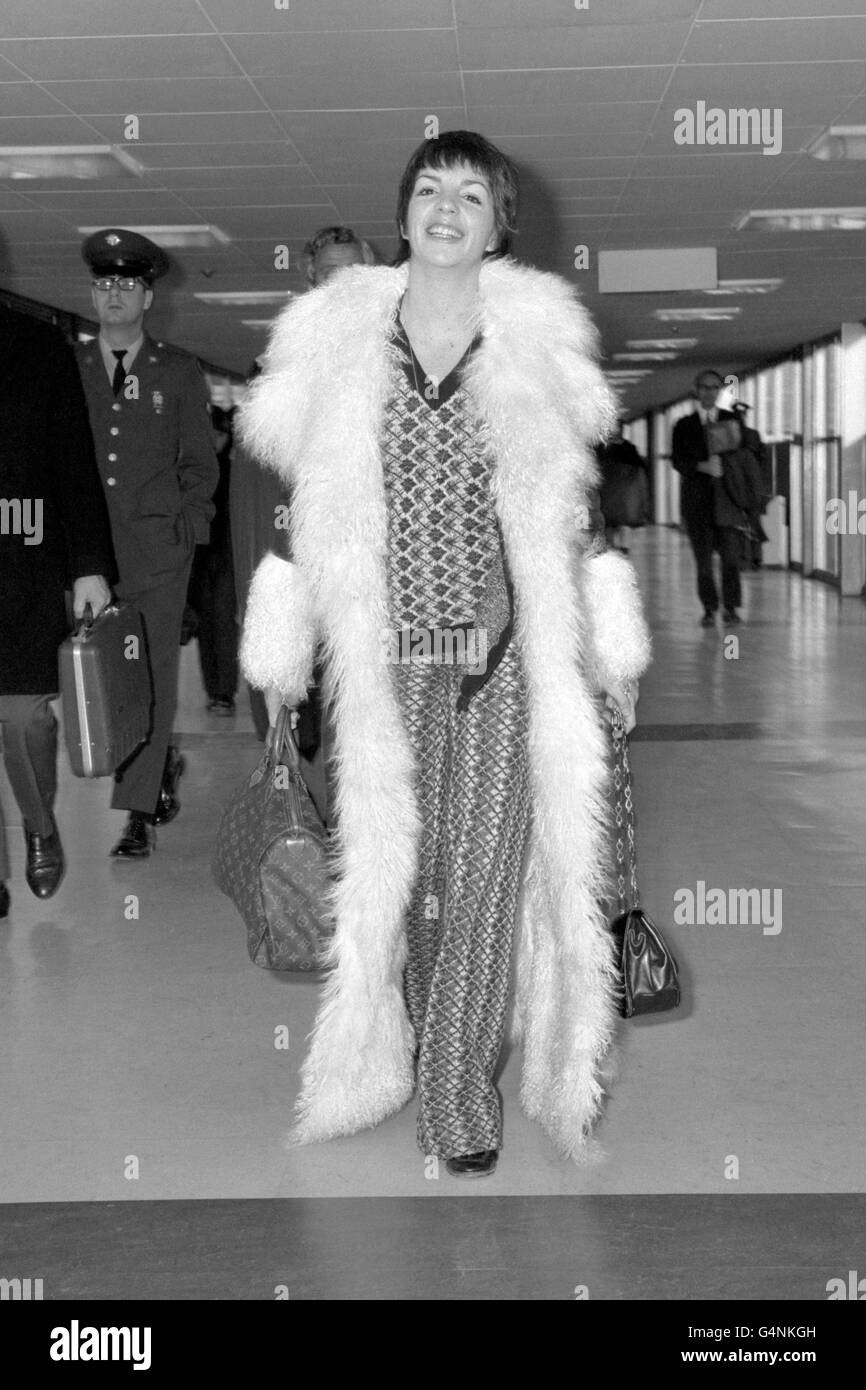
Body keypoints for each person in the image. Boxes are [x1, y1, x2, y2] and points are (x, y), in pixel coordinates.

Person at [237, 131, 651, 1175]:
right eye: (429, 189)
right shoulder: (337, 335)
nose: (448, 208)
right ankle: (428, 1037)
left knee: (479, 874)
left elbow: (575, 513)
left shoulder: (539, 342)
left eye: (471, 194)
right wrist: (281, 641)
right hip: (385, 659)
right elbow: (303, 504)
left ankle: (456, 1095)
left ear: (498, 223)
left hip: (504, 654)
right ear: (405, 211)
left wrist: (610, 648)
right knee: (402, 874)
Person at [75, 229, 218, 858]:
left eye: (127, 285)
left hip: (159, 554)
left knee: (151, 675)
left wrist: (189, 533)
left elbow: (200, 464)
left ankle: (135, 812)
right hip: (84, 555)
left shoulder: (179, 372)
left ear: (148, 297)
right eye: (104, 285)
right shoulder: (70, 368)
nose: (114, 296)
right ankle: (152, 770)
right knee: (99, 675)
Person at [0, 305, 115, 914]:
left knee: (23, 720)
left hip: (21, 562)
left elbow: (75, 463)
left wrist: (88, 564)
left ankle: (40, 823)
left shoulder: (39, 347)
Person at [672, 369, 744, 626]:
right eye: (704, 387)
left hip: (727, 502)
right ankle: (710, 608)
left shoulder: (731, 420)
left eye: (714, 387)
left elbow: (742, 457)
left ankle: (732, 608)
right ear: (696, 391)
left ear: (720, 390)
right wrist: (701, 466)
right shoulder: (683, 426)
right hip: (697, 503)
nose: (709, 392)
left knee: (731, 560)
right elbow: (678, 461)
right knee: (703, 562)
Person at [188, 405, 238, 714]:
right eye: (212, 434)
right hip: (201, 559)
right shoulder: (197, 470)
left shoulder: (229, 472)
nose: (216, 440)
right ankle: (215, 690)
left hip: (224, 557)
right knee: (207, 627)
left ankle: (224, 692)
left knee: (221, 626)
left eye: (220, 434)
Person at [597, 421, 650, 553]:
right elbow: (640, 471)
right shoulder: (628, 448)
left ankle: (615, 553)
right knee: (618, 526)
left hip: (612, 496)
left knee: (612, 526)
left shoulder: (602, 449)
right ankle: (620, 553)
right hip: (621, 497)